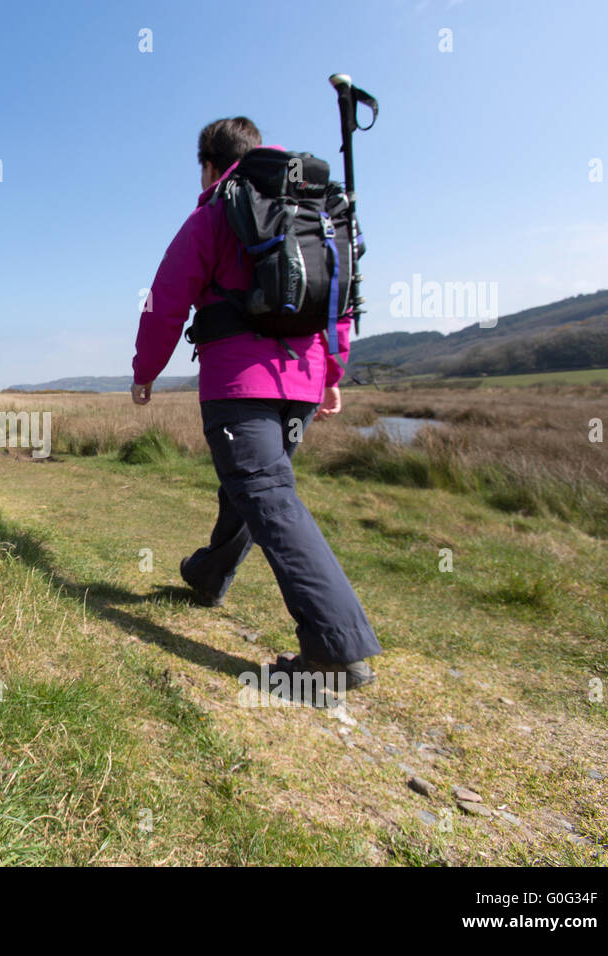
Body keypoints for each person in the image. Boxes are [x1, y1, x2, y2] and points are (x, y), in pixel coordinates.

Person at [130, 116, 382, 690]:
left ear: (211, 164)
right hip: (304, 383)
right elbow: (340, 301)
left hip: (239, 385)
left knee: (269, 498)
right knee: (252, 492)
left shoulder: (217, 211)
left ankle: (334, 646)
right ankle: (209, 574)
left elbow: (165, 300)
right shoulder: (316, 213)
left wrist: (146, 371)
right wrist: (332, 374)